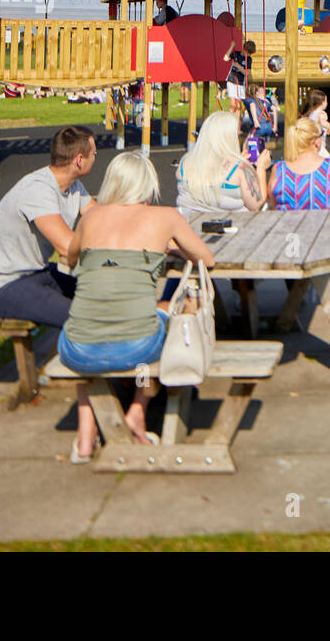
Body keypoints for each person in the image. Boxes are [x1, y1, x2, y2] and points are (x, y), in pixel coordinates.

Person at [58, 151, 216, 463]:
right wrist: (167, 247)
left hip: (78, 348)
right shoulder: (166, 217)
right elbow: (206, 259)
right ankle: (137, 412)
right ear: (147, 185)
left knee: (80, 326)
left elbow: (71, 258)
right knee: (177, 308)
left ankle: (86, 436)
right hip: (138, 346)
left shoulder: (90, 218)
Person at [0, 126, 97, 327]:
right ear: (79, 160)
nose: (95, 158)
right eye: (94, 154)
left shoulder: (74, 186)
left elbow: (100, 219)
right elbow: (67, 247)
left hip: (35, 273)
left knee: (101, 292)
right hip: (1, 286)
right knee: (82, 319)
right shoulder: (38, 190)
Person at [269, 117, 330, 271]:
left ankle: (295, 286)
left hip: (292, 247)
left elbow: (274, 206)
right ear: (316, 142)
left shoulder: (279, 170)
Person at [176, 111, 270, 221]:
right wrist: (261, 169)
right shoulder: (240, 168)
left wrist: (238, 160)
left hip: (189, 224)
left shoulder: (185, 163)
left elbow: (212, 170)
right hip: (231, 225)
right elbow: (256, 204)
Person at [305, 88, 330, 158]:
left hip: (312, 139)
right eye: (326, 101)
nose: (327, 103)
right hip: (318, 141)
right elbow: (323, 123)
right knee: (326, 157)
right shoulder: (321, 114)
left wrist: (326, 129)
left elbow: (319, 124)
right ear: (322, 103)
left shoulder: (312, 113)